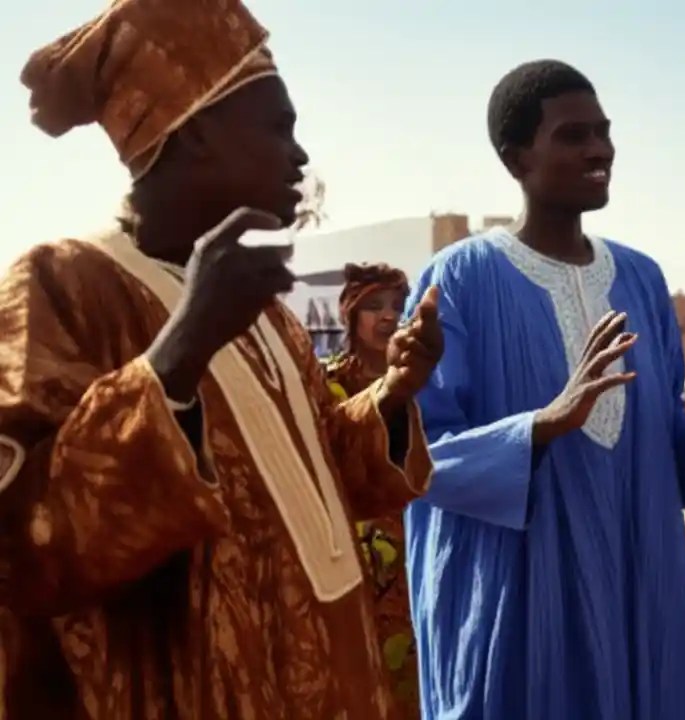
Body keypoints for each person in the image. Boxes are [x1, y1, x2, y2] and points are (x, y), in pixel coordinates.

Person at [0, 0, 442, 716]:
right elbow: (22, 542)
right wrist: (179, 351)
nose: (300, 157)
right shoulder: (63, 286)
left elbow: (321, 472)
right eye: (279, 128)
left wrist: (391, 395)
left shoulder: (266, 313)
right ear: (197, 130)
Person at [403, 60, 685, 719]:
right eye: (573, 135)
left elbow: (656, 432)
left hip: (641, 581)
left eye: (604, 132)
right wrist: (540, 425)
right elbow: (418, 454)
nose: (600, 150)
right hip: (521, 591)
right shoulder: (461, 278)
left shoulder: (641, 277)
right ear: (516, 157)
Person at [324, 262, 421, 715]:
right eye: (375, 307)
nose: (388, 317)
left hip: (416, 549)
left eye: (398, 308)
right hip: (354, 559)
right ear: (351, 315)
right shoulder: (326, 386)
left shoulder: (422, 385)